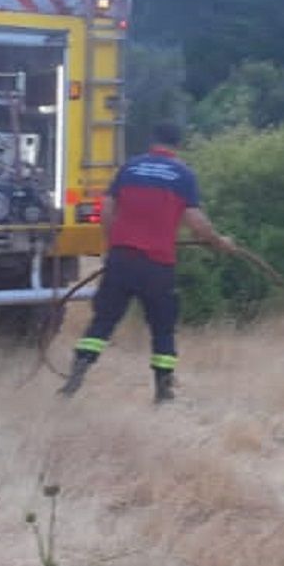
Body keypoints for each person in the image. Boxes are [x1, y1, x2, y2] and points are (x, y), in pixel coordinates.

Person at [58, 120, 236, 403]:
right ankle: (163, 392)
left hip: (121, 260)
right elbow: (197, 224)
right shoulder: (182, 174)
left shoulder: (130, 168)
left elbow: (106, 210)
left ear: (152, 140)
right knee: (162, 329)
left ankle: (76, 375)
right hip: (157, 266)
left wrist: (111, 245)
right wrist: (220, 243)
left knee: (102, 323)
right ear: (178, 145)